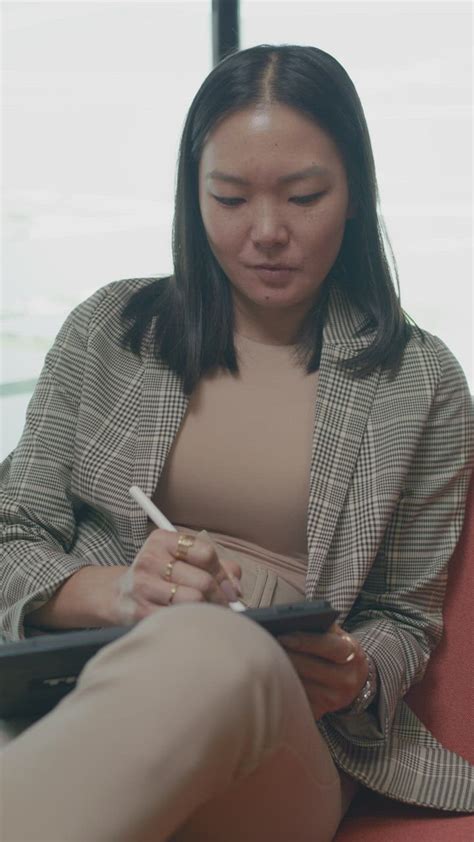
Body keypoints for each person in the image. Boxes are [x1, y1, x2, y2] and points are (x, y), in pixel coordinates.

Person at [1, 42, 473, 841]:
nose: (266, 232)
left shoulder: (420, 382)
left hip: (291, 741)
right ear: (193, 197)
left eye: (304, 196)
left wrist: (355, 671)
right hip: (75, 688)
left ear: (354, 193)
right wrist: (120, 593)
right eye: (228, 198)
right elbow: (10, 534)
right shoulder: (109, 333)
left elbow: (404, 615)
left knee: (213, 650)